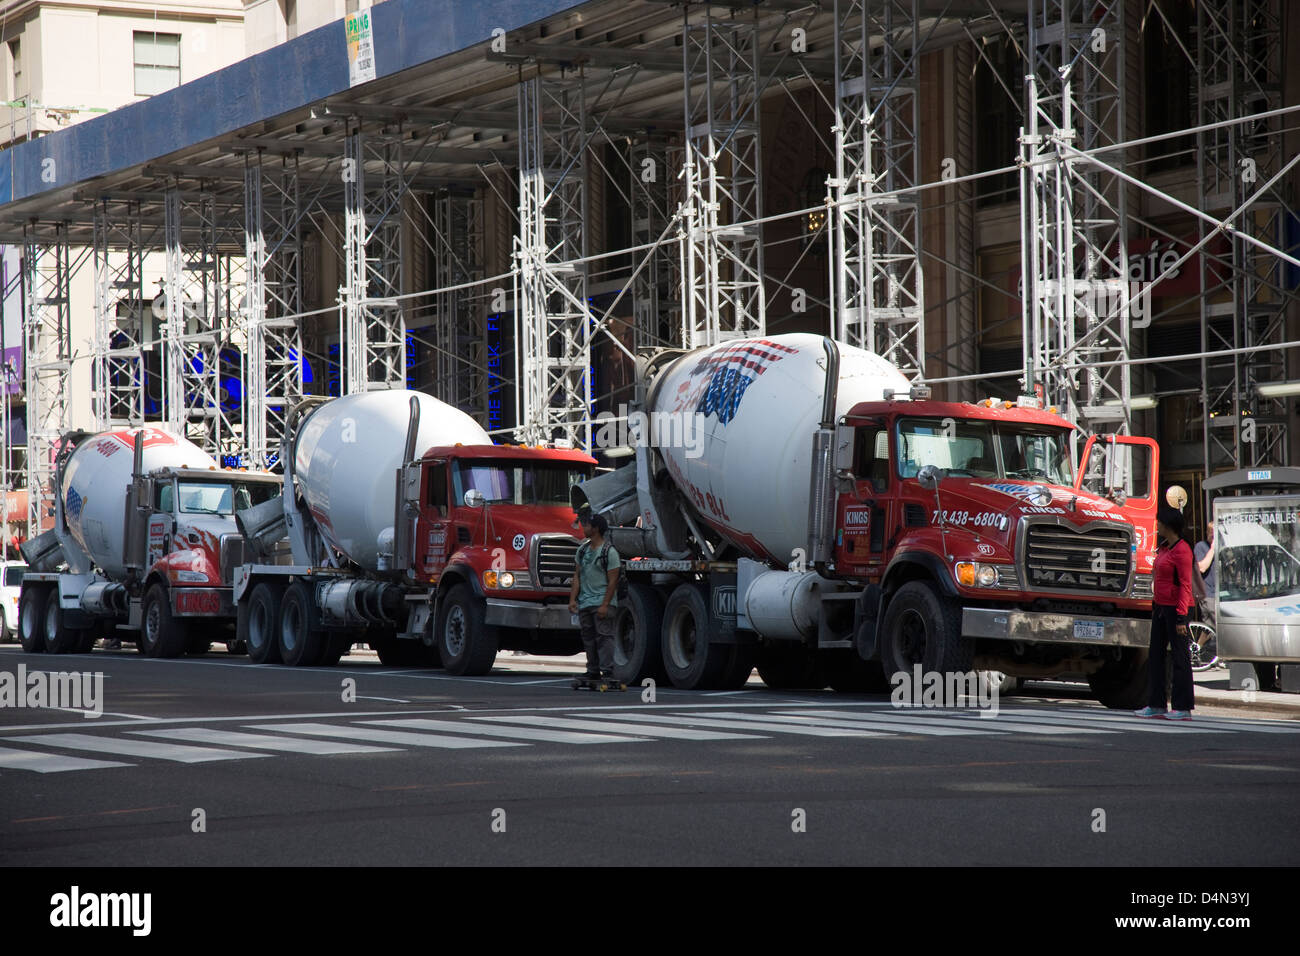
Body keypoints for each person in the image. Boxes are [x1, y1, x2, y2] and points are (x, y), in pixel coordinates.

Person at [1136, 504, 1195, 719]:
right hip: (1161, 607)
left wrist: (1181, 617)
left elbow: (1185, 586)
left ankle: (1182, 706)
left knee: (1180, 658)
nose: (1157, 525)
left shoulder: (1182, 550)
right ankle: (1156, 703)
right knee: (1156, 656)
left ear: (1168, 525)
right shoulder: (1164, 548)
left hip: (1176, 609)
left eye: (1160, 522)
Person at [569, 511, 621, 682]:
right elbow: (577, 576)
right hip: (585, 603)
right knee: (589, 638)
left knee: (604, 638)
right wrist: (572, 599)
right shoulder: (582, 550)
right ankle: (592, 670)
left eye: (587, 525)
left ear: (596, 529)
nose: (583, 527)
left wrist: (605, 604)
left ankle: (607, 672)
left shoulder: (609, 552)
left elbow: (613, 581)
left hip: (601, 603)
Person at [1194, 520, 1216, 617]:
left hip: (1222, 594)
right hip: (1209, 594)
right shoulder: (1201, 547)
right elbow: (1202, 568)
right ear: (1207, 533)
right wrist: (1212, 549)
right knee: (1211, 625)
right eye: (1212, 534)